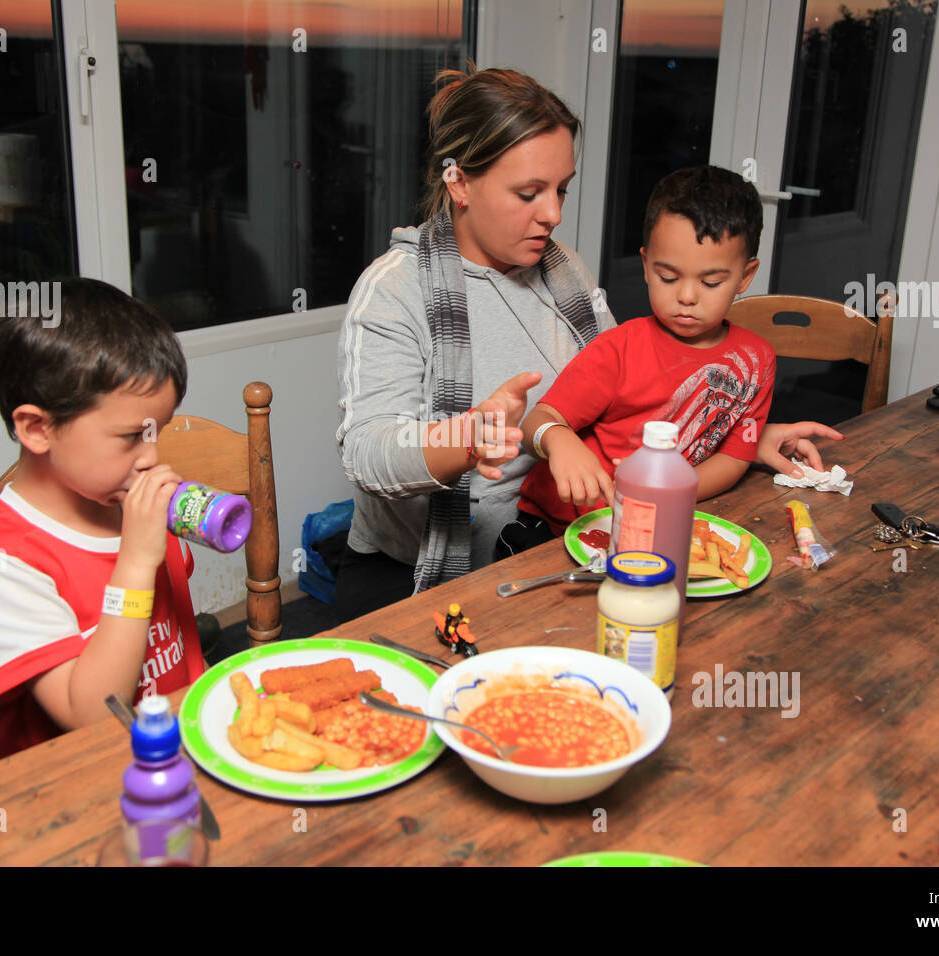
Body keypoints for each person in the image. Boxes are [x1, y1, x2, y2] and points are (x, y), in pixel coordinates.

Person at [336, 66, 842, 620]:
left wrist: (739, 437)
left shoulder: (563, 270)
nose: (552, 214)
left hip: (550, 550)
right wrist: (470, 438)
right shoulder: (394, 290)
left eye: (561, 190)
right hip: (418, 578)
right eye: (528, 193)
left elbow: (628, 394)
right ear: (459, 182)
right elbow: (366, 456)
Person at [0, 278, 203, 768]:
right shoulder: (3, 566)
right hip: (66, 783)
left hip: (170, 749)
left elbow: (180, 646)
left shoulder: (123, 503)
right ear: (37, 428)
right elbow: (92, 714)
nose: (151, 456)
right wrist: (134, 562)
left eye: (158, 430)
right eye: (132, 435)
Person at [506, 165, 774, 544]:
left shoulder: (755, 361)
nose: (687, 296)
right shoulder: (621, 347)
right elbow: (539, 419)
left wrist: (664, 495)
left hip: (657, 523)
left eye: (711, 282)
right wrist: (560, 440)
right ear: (647, 265)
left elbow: (734, 457)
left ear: (746, 276)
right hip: (561, 523)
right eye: (668, 277)